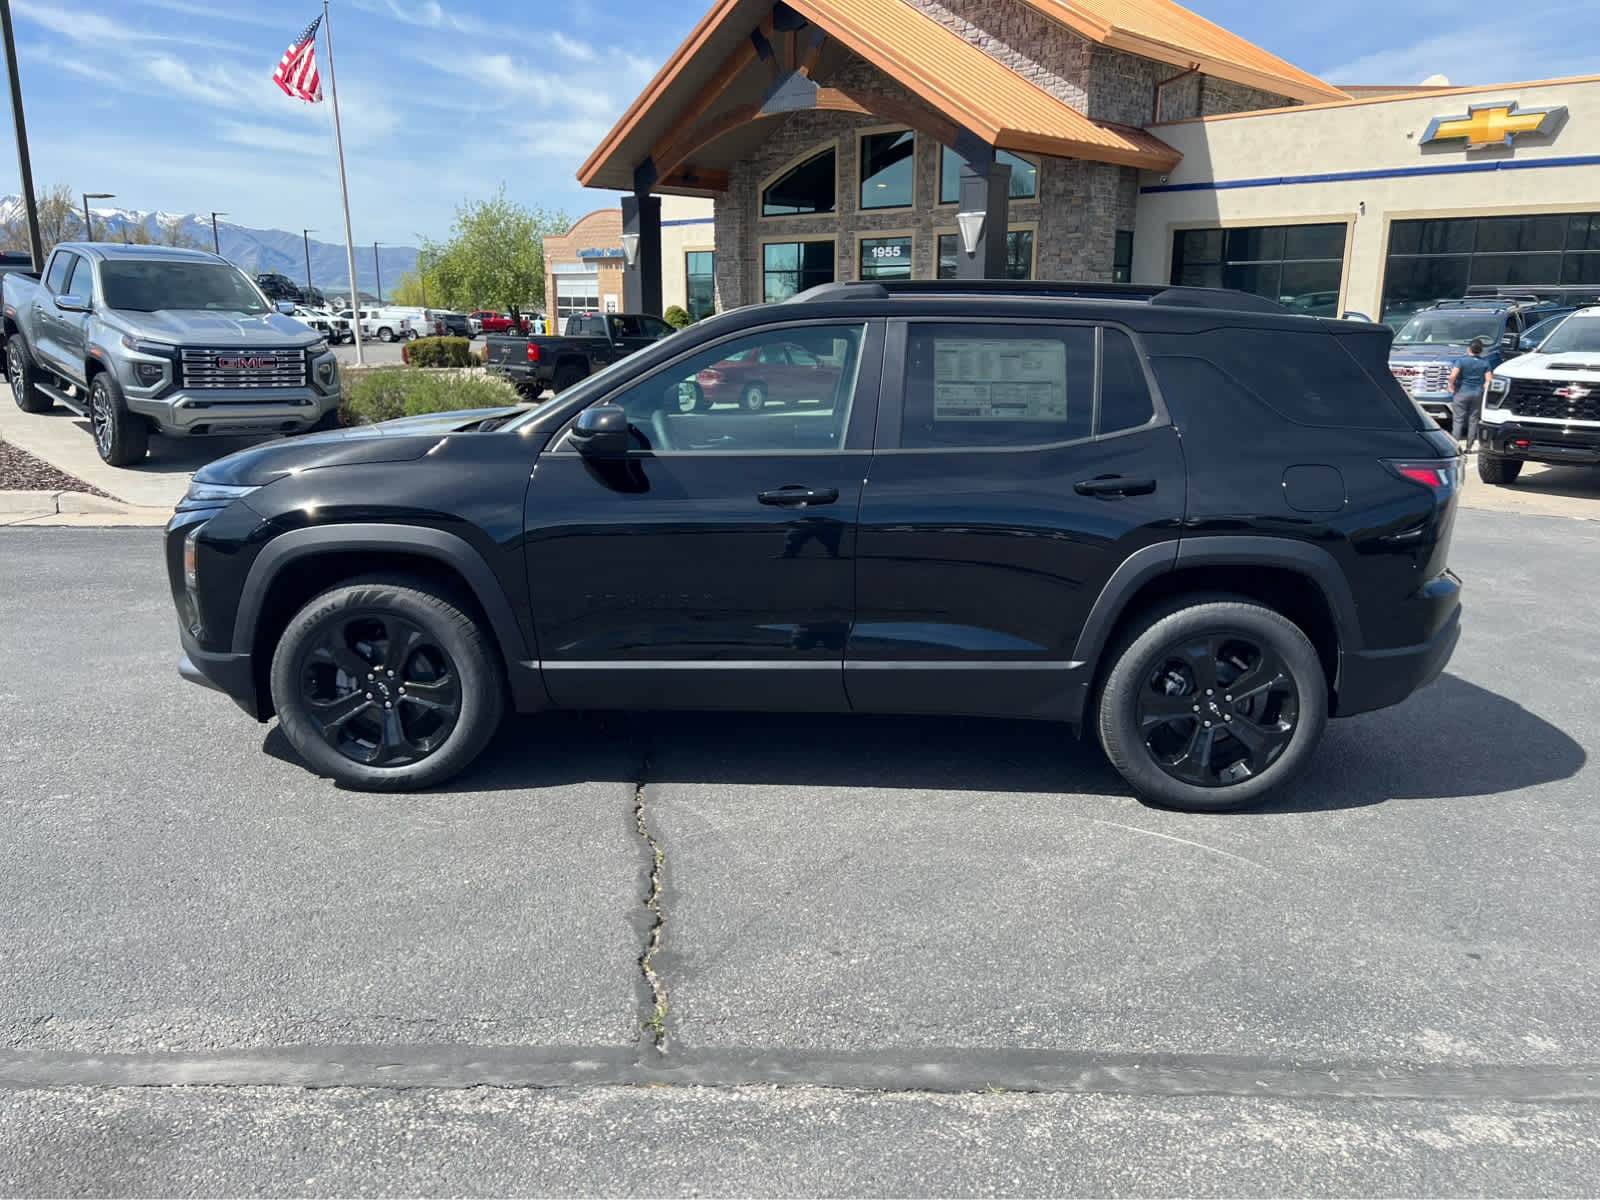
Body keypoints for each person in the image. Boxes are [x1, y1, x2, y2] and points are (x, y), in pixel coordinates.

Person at [1449, 337, 1490, 453]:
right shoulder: (1484, 363)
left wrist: (1451, 385)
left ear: (1469, 349)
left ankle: (1455, 447)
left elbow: (1453, 375)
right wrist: (1483, 390)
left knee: (1458, 420)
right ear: (1481, 350)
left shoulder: (1461, 361)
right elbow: (1488, 380)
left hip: (1462, 392)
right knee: (1473, 420)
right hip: (1477, 393)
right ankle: (1469, 447)